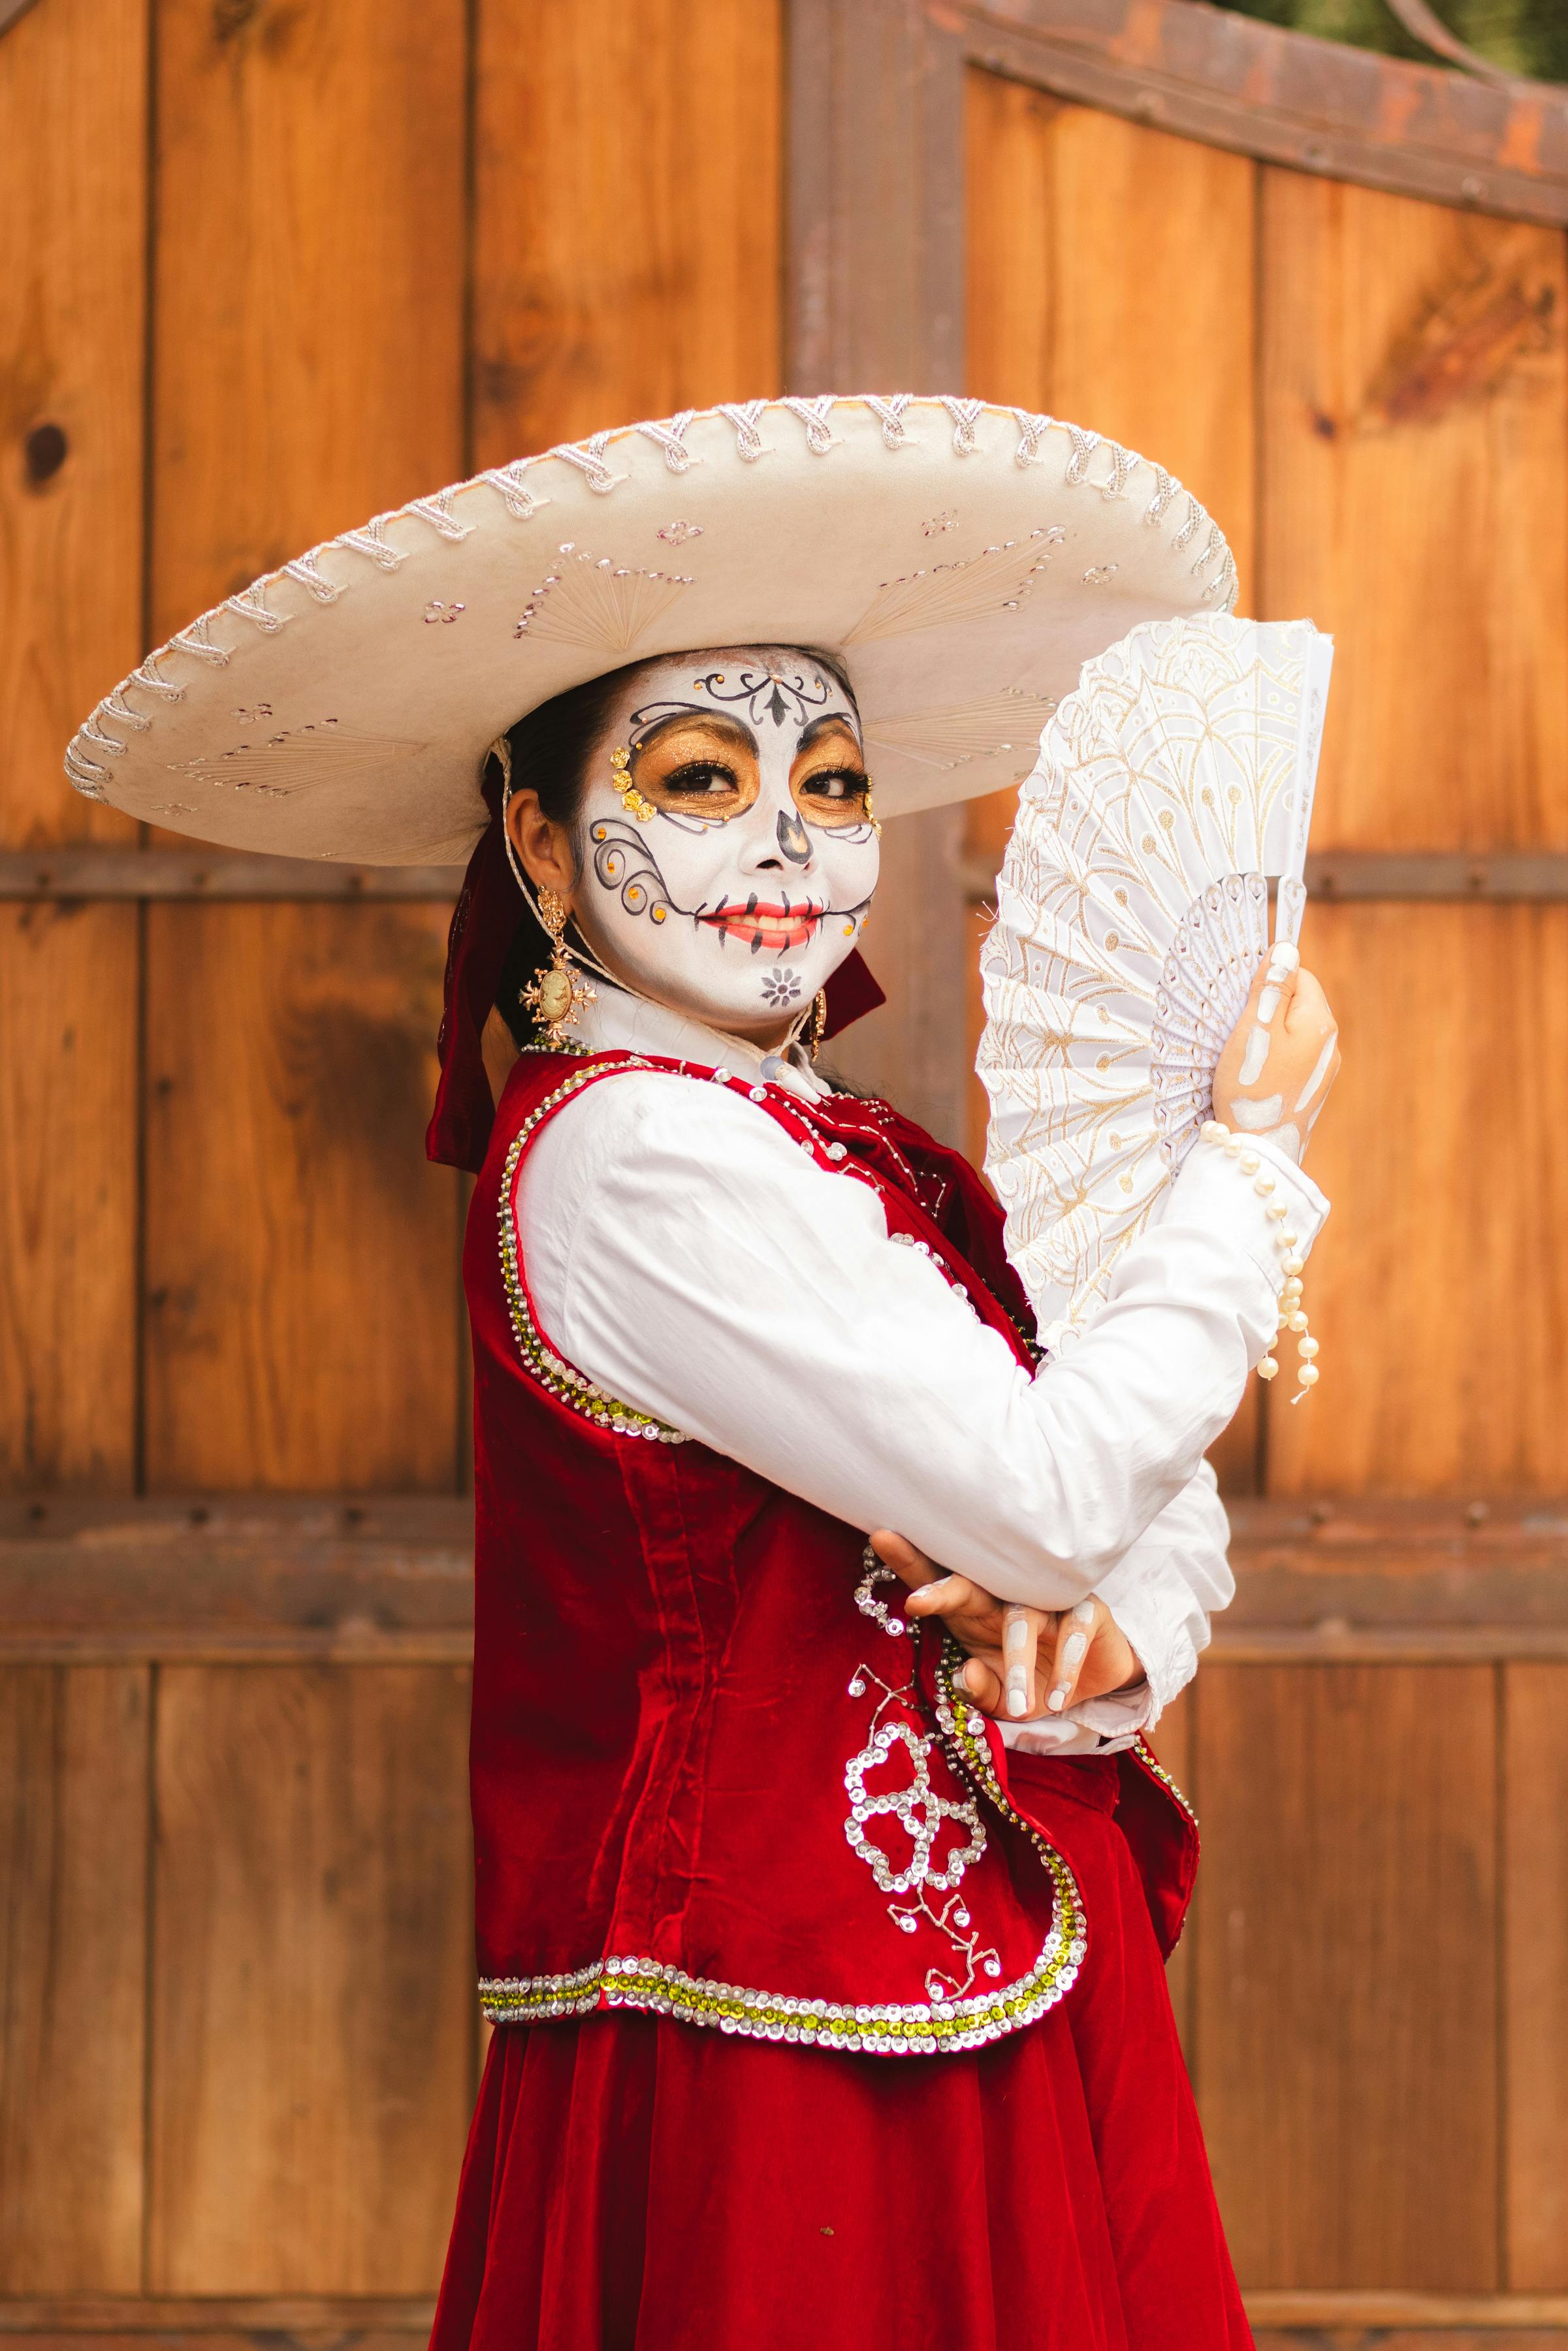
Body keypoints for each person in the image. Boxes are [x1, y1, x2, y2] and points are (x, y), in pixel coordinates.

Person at [65, 400, 1338, 2349]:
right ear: (539, 844)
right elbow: (1052, 1478)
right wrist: (1246, 1170)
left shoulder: (821, 1139)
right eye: (695, 776)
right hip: (774, 2042)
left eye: (829, 788)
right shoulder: (633, 1153)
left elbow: (1095, 1515)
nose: (780, 845)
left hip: (972, 1975)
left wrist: (1101, 1627)